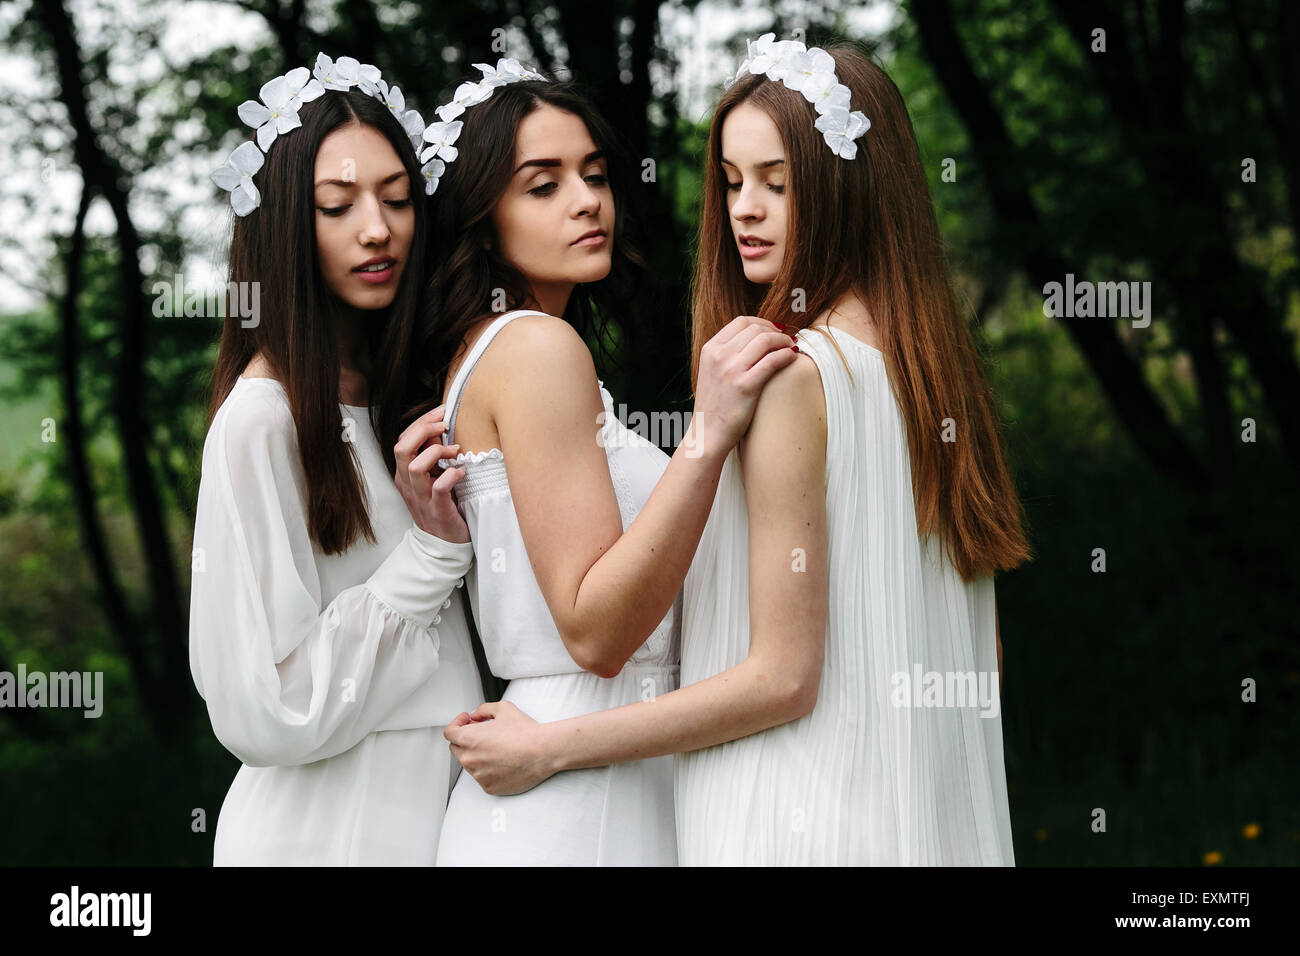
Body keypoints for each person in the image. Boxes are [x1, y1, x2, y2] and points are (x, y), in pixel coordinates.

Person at [444, 38, 1032, 865]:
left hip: (785, 811)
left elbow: (782, 678)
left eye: (776, 183)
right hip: (916, 820)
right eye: (730, 182)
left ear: (848, 189)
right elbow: (981, 665)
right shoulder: (937, 384)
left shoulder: (792, 378)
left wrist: (551, 745)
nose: (742, 210)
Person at [406, 60, 798, 865]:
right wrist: (709, 434)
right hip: (573, 795)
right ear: (483, 219)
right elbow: (596, 631)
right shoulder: (537, 348)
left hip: (589, 765)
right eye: (542, 185)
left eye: (594, 174)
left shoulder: (502, 352)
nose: (589, 200)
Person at [190, 54, 482, 865]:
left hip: (440, 811)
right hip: (323, 831)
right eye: (337, 205)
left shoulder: (415, 397)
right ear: (286, 224)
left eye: (396, 199)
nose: (378, 228)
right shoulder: (259, 423)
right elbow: (263, 710)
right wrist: (430, 557)